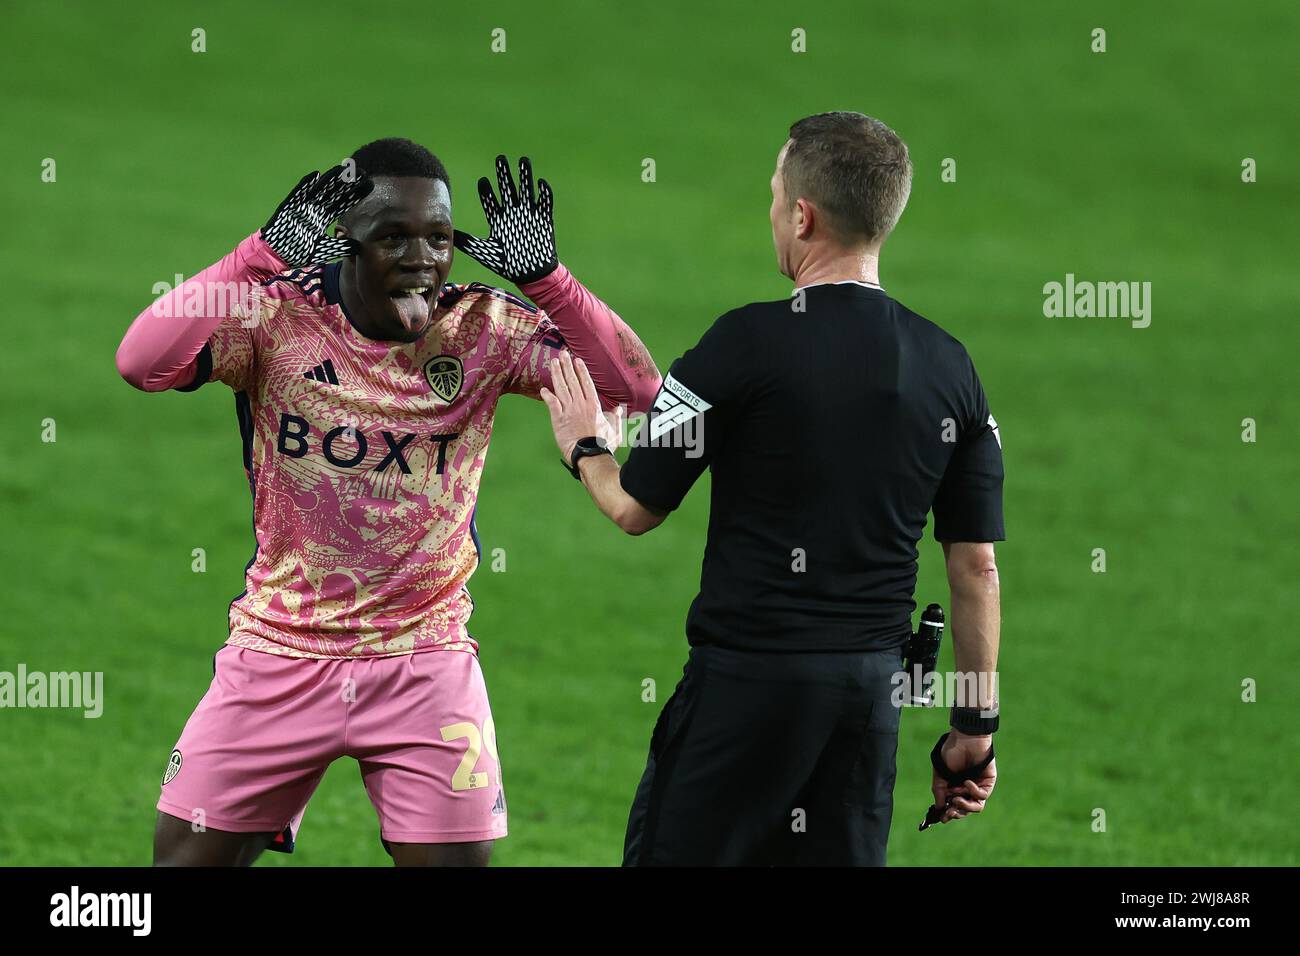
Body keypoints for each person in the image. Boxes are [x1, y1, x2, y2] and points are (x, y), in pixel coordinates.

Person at [115, 139, 660, 866]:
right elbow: (141, 363)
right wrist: (257, 256)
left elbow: (635, 389)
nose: (425, 258)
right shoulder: (275, 317)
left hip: (425, 661)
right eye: (394, 237)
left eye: (439, 238)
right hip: (280, 652)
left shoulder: (484, 330)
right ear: (344, 241)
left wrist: (549, 280)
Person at [537, 112, 1004, 866]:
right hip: (869, 700)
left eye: (774, 194)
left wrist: (585, 447)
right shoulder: (952, 370)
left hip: (745, 690)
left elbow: (633, 507)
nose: (770, 213)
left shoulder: (740, 344)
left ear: (803, 214)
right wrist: (973, 732)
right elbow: (975, 567)